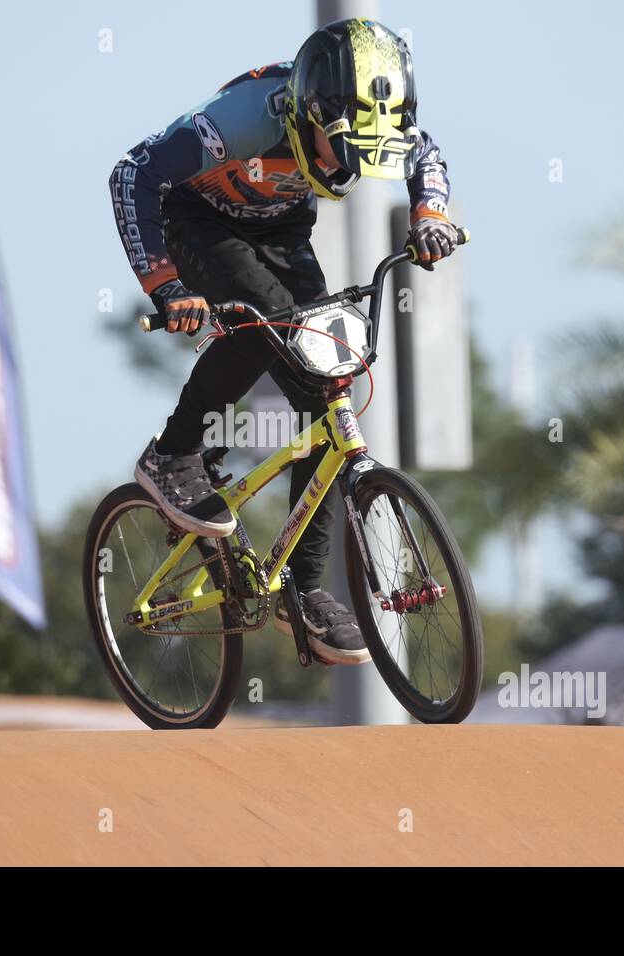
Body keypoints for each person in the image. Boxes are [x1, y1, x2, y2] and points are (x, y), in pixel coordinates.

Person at [108, 18, 457, 666]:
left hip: (281, 229)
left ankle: (306, 587)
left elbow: (426, 155)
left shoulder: (377, 118)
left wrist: (430, 215)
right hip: (200, 222)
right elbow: (132, 175)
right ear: (307, 113)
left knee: (324, 379)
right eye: (341, 149)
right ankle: (172, 454)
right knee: (270, 328)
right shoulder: (237, 122)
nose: (349, 167)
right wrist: (165, 285)